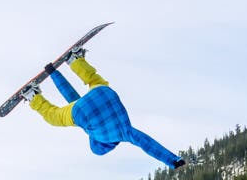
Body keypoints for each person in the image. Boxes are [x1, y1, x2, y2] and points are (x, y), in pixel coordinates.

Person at [22, 48, 185, 169]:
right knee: (54, 116)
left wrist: (173, 159)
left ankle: (75, 60)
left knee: (94, 81)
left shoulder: (127, 131)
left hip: (104, 94)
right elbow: (78, 105)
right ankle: (32, 96)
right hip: (82, 111)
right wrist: (52, 73)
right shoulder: (103, 136)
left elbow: (147, 143)